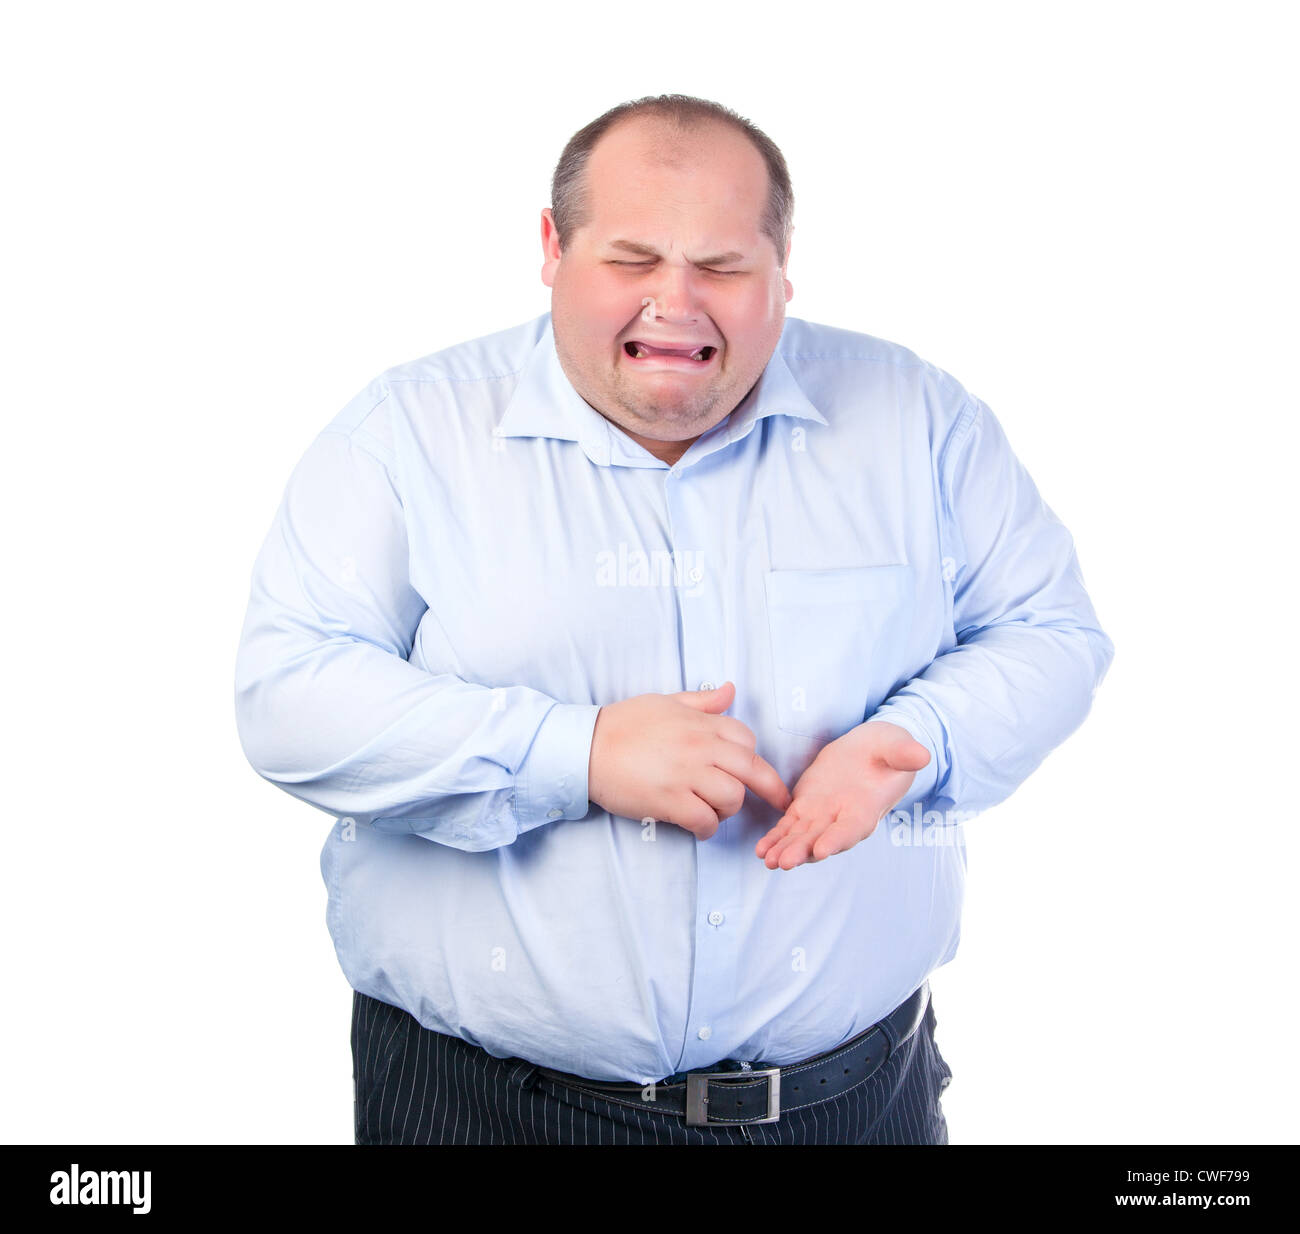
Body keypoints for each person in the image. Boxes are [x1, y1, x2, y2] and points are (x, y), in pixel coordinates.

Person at [233, 93, 1113, 1145]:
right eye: (633, 259)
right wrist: (576, 750)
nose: (675, 302)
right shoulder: (405, 433)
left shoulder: (917, 415)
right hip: (485, 1109)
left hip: (855, 1104)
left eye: (723, 267)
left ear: (782, 268)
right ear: (552, 249)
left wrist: (914, 741)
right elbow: (289, 699)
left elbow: (1050, 629)